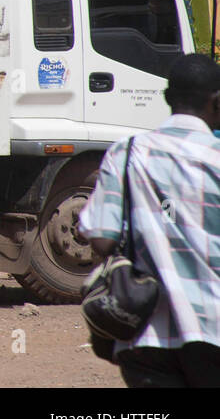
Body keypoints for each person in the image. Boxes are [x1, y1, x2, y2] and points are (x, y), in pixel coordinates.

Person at [78, 53, 220, 387]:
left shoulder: (125, 153)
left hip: (144, 335)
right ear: (217, 101)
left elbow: (101, 238)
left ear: (167, 98)